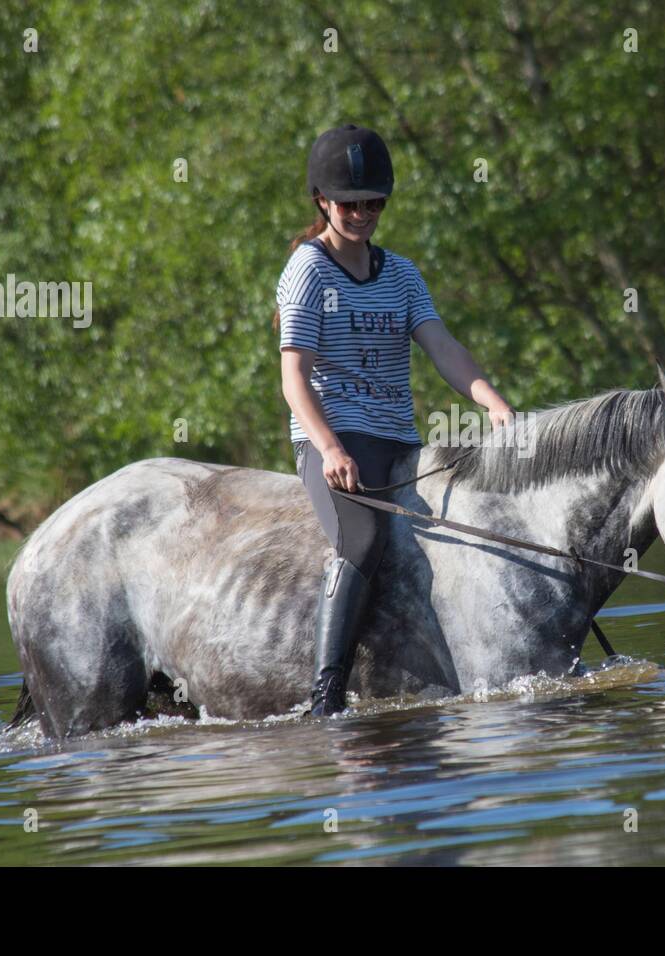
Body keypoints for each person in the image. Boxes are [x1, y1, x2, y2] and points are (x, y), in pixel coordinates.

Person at [275, 124, 514, 717]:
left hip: (399, 440)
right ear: (322, 201)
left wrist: (492, 401)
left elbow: (443, 347)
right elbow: (292, 376)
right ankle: (325, 693)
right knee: (363, 538)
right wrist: (329, 449)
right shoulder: (308, 270)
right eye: (350, 204)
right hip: (333, 441)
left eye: (373, 202)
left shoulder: (401, 274)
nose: (362, 214)